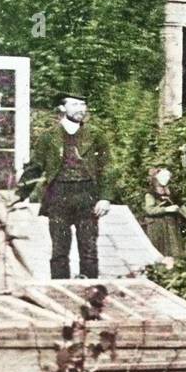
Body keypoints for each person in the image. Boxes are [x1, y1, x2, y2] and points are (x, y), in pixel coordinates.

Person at [24, 96, 111, 280]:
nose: (81, 108)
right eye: (75, 104)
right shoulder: (48, 136)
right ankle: (60, 291)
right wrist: (18, 194)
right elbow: (35, 167)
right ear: (62, 107)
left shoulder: (96, 134)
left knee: (89, 250)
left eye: (83, 104)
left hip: (87, 196)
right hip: (58, 196)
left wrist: (105, 198)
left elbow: (107, 167)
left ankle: (90, 295)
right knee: (59, 251)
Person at [141, 167, 186, 261]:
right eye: (164, 176)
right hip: (157, 227)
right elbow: (149, 210)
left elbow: (182, 208)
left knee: (175, 251)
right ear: (156, 178)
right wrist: (166, 209)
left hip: (171, 225)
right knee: (159, 251)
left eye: (168, 176)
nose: (166, 179)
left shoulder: (171, 192)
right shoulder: (150, 193)